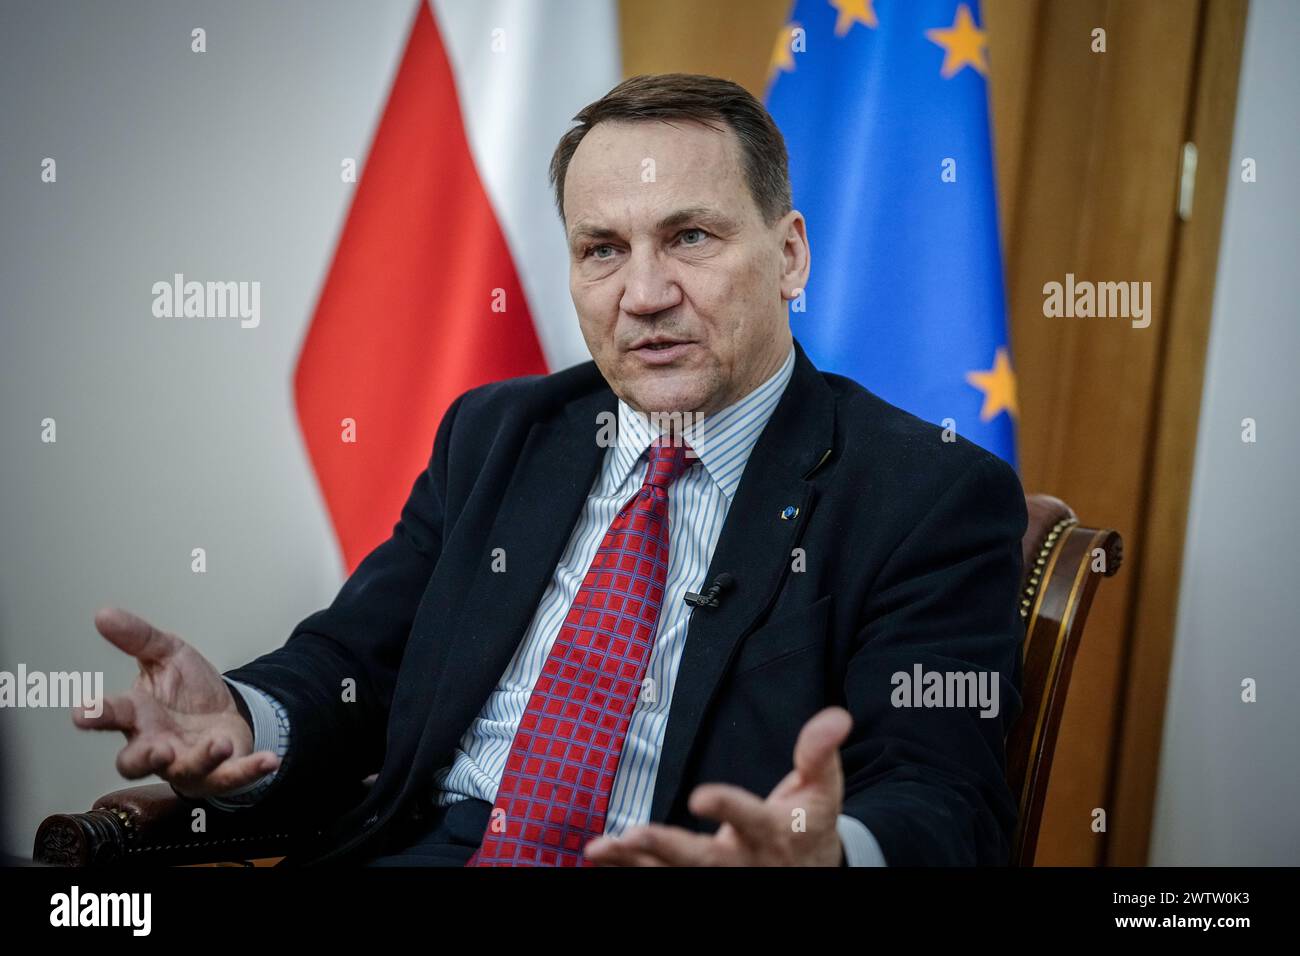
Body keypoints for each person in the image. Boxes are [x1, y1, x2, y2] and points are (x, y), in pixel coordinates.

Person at [72, 73, 1026, 867]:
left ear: (787, 253)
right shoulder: (500, 433)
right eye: (603, 250)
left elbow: (944, 795)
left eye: (690, 236)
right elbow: (357, 663)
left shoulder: (926, 496)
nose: (645, 296)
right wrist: (244, 714)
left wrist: (827, 849)